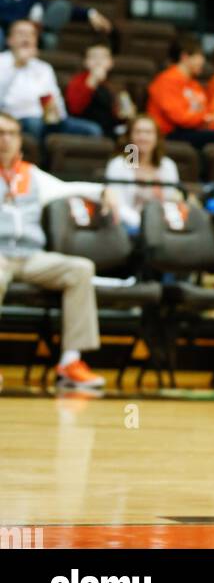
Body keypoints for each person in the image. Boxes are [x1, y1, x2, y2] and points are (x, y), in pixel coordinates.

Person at [0, 112, 118, 390]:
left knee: (80, 268)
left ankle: (70, 361)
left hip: (31, 257)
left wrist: (103, 191)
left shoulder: (32, 175)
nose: (5, 139)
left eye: (11, 133)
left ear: (19, 140)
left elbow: (69, 188)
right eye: (0, 133)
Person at [0, 19, 102, 144]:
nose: (26, 38)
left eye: (31, 34)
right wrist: (17, 65)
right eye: (21, 33)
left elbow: (55, 98)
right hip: (15, 119)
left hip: (48, 120)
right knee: (35, 124)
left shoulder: (44, 67)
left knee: (92, 130)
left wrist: (59, 116)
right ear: (9, 40)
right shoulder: (2, 62)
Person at [146, 34, 214, 149]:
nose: (203, 61)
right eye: (199, 56)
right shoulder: (166, 80)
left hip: (191, 131)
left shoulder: (194, 84)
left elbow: (205, 111)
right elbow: (180, 117)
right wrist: (209, 118)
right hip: (170, 134)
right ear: (185, 57)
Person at [104, 114, 182, 234]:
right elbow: (118, 205)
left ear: (157, 138)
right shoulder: (119, 164)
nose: (143, 137)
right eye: (138, 132)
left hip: (163, 225)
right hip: (129, 226)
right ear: (130, 137)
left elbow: (170, 200)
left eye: (148, 132)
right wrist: (142, 224)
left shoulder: (167, 165)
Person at [65, 42, 135, 138]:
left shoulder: (117, 84)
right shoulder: (77, 81)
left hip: (111, 126)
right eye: (93, 57)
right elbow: (75, 109)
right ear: (86, 62)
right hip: (85, 125)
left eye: (103, 57)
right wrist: (92, 81)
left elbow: (123, 113)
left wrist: (127, 112)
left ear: (110, 62)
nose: (98, 61)